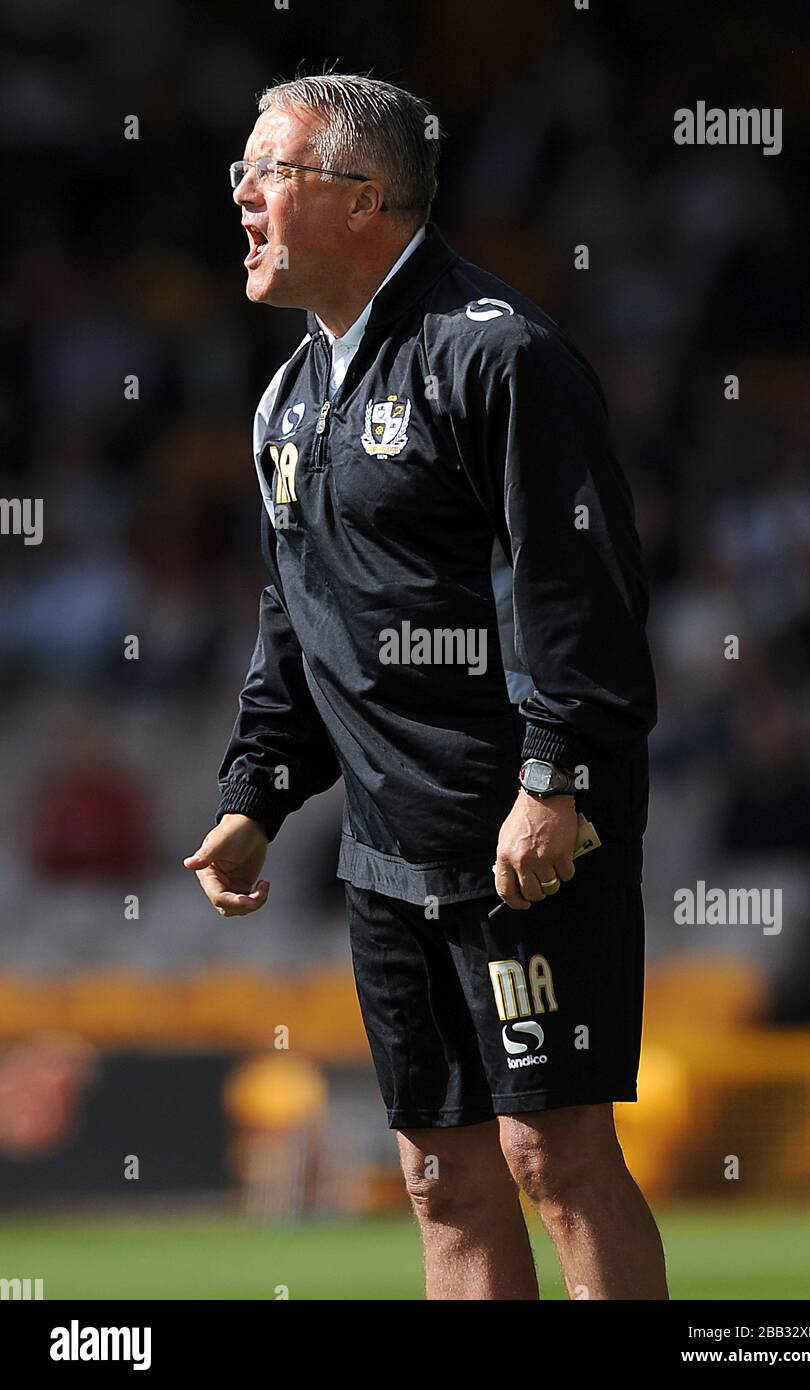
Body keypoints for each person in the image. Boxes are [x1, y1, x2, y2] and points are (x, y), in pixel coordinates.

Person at [184, 72, 666, 1300]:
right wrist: (256, 793)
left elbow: (581, 590)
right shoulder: (286, 400)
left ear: (365, 197)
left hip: (527, 829)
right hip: (385, 849)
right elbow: (296, 620)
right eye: (240, 169)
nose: (240, 194)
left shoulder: (499, 356)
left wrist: (552, 779)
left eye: (268, 171)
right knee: (439, 1177)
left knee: (550, 1152)